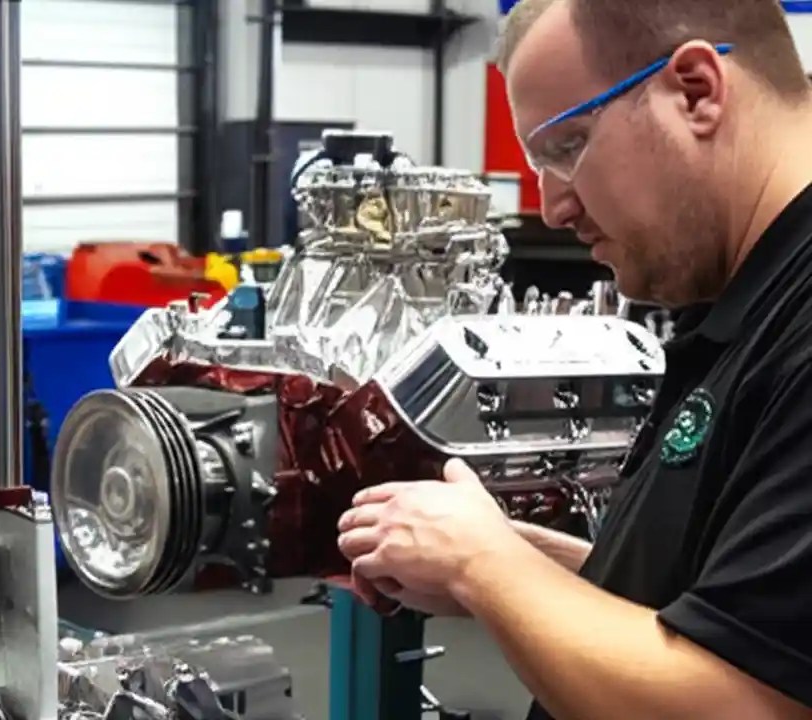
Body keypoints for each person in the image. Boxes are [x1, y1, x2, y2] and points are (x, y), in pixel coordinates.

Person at [335, 1, 812, 718]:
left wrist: (483, 565)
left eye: (567, 146)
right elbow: (727, 606)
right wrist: (509, 566)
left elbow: (743, 700)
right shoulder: (747, 301)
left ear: (695, 90)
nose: (553, 206)